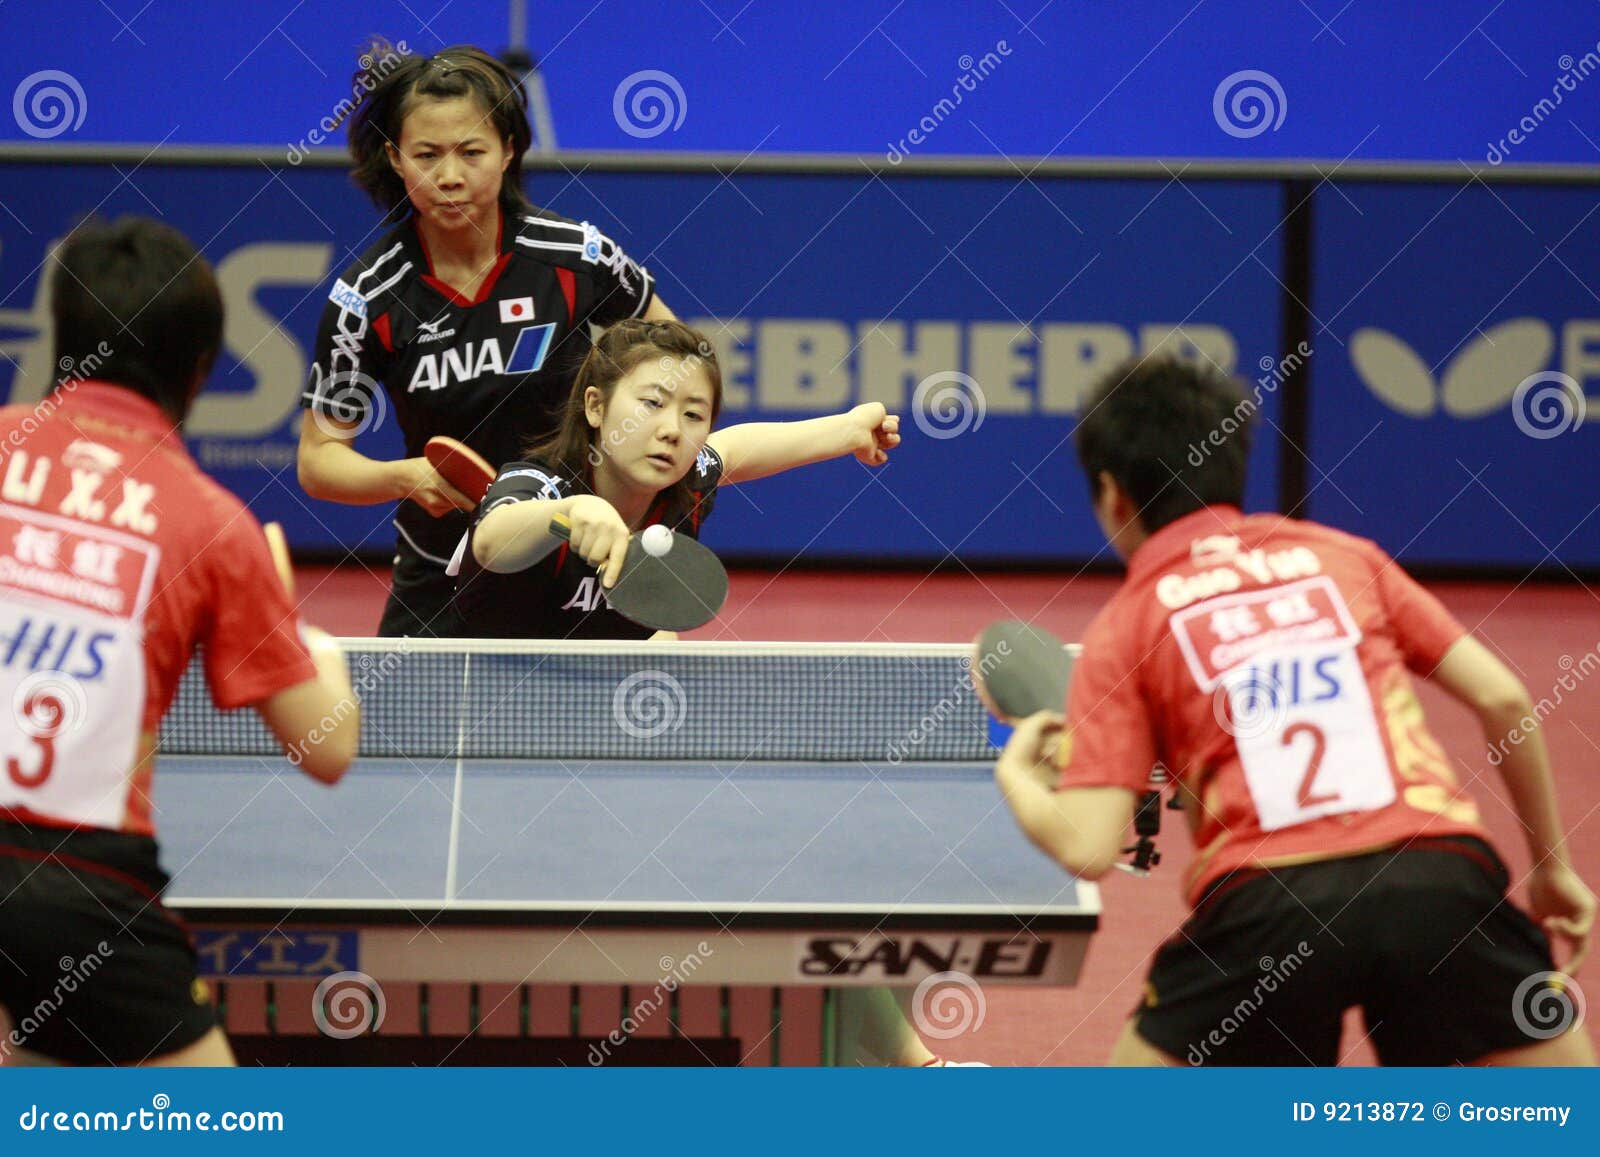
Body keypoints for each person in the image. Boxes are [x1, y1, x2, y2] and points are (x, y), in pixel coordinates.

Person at [993, 354, 1596, 1066]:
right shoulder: (1345, 556)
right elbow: (1505, 698)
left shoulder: (1124, 628)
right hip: (1436, 876)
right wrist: (1550, 868)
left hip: (1270, 908)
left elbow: (1089, 848)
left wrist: (1018, 777)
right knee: (1559, 1116)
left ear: (1111, 493)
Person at [454, 318, 972, 1067]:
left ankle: (918, 1068)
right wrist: (570, 515)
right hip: (490, 766)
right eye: (652, 403)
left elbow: (741, 451)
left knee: (783, 863)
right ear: (596, 407)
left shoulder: (681, 486)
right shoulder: (539, 486)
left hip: (606, 751)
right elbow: (494, 538)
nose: (673, 429)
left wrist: (846, 429)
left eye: (692, 413)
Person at [0, 217, 359, 1066]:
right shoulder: (210, 523)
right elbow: (327, 747)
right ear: (199, 368)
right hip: (77, 886)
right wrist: (319, 649)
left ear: (62, 333)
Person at [298, 40, 678, 638]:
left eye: (471, 152)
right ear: (396, 158)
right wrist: (405, 477)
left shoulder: (578, 256)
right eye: (427, 155)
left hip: (576, 567)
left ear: (508, 150)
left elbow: (677, 362)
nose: (450, 177)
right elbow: (319, 460)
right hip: (442, 575)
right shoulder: (366, 298)